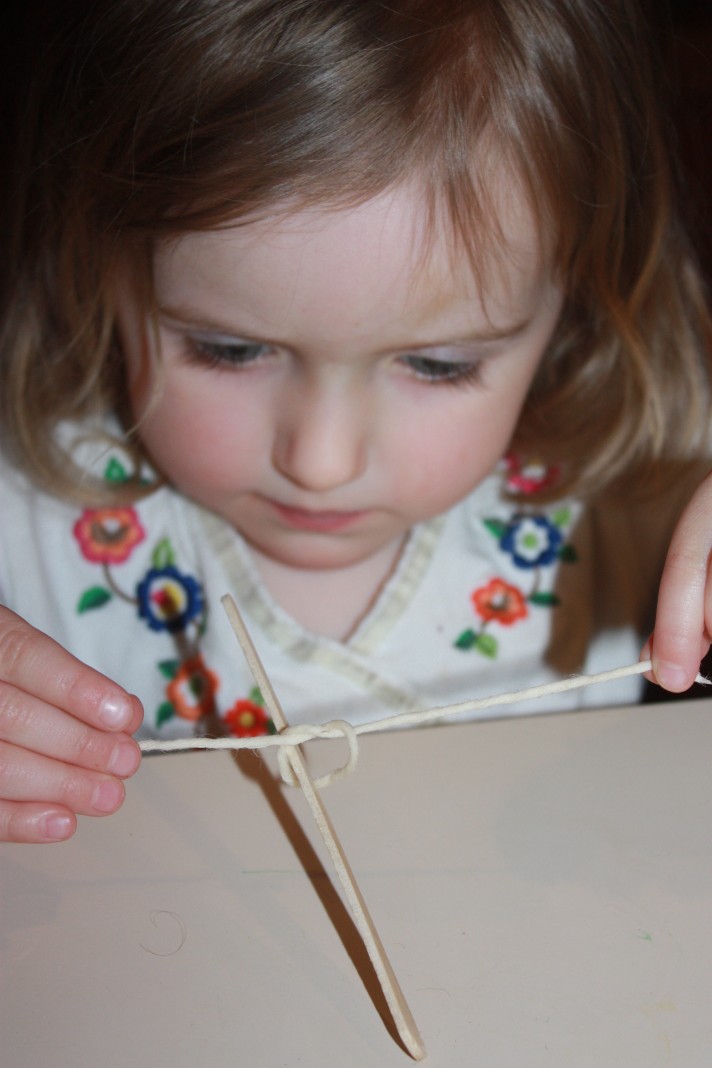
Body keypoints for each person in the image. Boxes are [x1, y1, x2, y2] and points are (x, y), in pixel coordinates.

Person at [1, 0, 711, 845]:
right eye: (230, 350)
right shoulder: (22, 523)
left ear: (577, 301)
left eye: (438, 365)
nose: (322, 462)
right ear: (103, 268)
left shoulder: (643, 504)